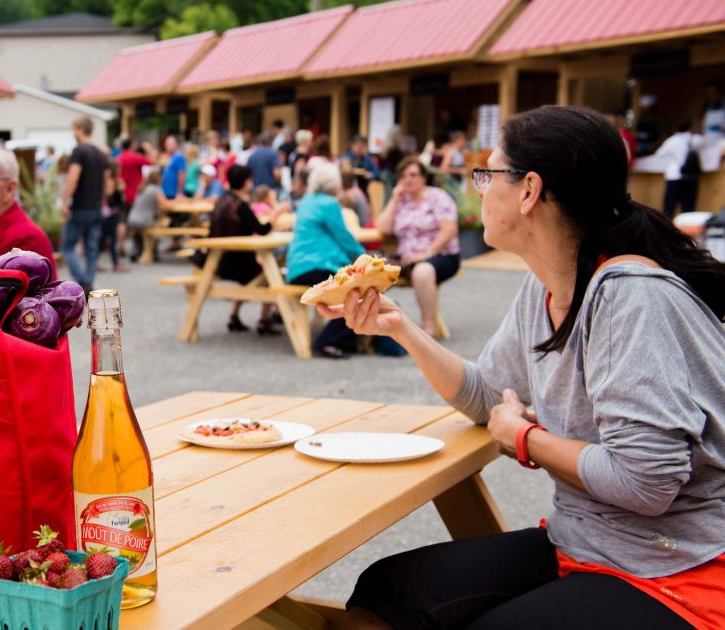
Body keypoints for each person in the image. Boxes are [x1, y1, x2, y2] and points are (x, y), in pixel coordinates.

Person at [326, 105, 725, 630]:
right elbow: (486, 396)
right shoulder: (545, 286)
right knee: (387, 590)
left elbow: (646, 484)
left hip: (681, 568)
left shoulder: (631, 297)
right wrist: (401, 328)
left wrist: (524, 438)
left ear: (529, 190)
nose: (480, 188)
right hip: (582, 542)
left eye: (488, 173)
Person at [286, 162, 367, 358]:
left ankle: (343, 338)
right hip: (319, 266)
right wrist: (365, 258)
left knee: (352, 289)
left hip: (297, 269)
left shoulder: (306, 202)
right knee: (357, 291)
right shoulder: (328, 203)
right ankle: (329, 340)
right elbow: (344, 236)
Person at [375, 158, 460, 338]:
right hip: (406, 257)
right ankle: (371, 327)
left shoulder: (437, 197)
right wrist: (395, 198)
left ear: (423, 177)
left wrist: (426, 254)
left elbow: (449, 230)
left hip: (441, 255)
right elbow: (383, 228)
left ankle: (428, 328)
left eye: (413, 175)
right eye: (403, 176)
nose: (408, 179)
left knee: (422, 271)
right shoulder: (402, 200)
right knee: (373, 268)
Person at [199, 164, 285, 334]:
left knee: (250, 277)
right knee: (270, 273)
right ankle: (264, 320)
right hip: (238, 262)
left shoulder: (221, 201)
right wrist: (276, 214)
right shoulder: (241, 205)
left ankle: (234, 316)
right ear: (246, 182)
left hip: (218, 259)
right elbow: (262, 230)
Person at [61, 116, 109, 293]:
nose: (73, 133)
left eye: (74, 128)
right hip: (96, 207)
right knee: (91, 248)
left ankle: (82, 280)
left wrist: (65, 201)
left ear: (80, 129)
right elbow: (106, 182)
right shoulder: (100, 152)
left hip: (80, 207)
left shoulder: (79, 151)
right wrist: (102, 201)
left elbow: (73, 178)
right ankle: (89, 280)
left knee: (67, 246)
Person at [655, 122, 703, 218]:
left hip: (674, 175)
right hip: (691, 176)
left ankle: (667, 229)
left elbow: (659, 153)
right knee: (688, 209)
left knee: (669, 207)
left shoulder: (672, 140)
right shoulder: (696, 139)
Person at [126, 169, 169, 262]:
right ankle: (153, 252)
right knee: (159, 226)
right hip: (143, 221)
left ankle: (137, 250)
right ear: (159, 179)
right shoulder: (155, 189)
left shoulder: (143, 187)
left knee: (140, 230)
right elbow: (165, 204)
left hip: (132, 219)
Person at [160, 135, 187, 200]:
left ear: (176, 144)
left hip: (173, 193)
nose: (167, 146)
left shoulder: (179, 157)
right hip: (165, 192)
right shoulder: (170, 157)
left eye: (170, 144)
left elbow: (181, 174)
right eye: (166, 144)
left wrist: (180, 192)